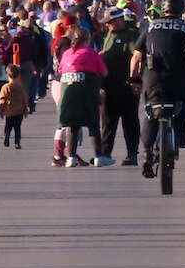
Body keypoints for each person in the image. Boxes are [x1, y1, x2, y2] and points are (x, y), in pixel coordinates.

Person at [136, 0, 185, 177]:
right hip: (178, 76)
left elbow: (136, 55)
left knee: (149, 112)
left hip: (152, 77)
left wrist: (133, 77)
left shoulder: (151, 26)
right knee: (183, 104)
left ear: (163, 10)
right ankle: (181, 134)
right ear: (181, 11)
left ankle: (147, 153)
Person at [54, 24, 106, 167]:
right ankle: (98, 156)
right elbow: (104, 72)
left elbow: (60, 70)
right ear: (87, 40)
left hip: (69, 93)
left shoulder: (66, 54)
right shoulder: (91, 53)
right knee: (93, 125)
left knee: (72, 125)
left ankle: (70, 157)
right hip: (87, 92)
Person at [98, 12, 141, 165]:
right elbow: (108, 52)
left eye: (110, 22)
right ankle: (105, 153)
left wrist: (136, 80)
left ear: (119, 20)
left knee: (130, 122)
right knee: (108, 122)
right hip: (109, 86)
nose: (107, 25)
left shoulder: (131, 35)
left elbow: (137, 57)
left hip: (126, 87)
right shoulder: (110, 34)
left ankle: (132, 153)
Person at [0, 64, 29, 150]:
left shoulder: (5, 87)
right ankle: (17, 143)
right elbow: (24, 99)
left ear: (7, 75)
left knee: (8, 126)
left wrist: (1, 111)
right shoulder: (20, 87)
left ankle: (7, 136)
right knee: (17, 128)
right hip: (19, 111)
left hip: (9, 111)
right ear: (18, 75)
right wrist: (25, 110)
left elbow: (2, 100)